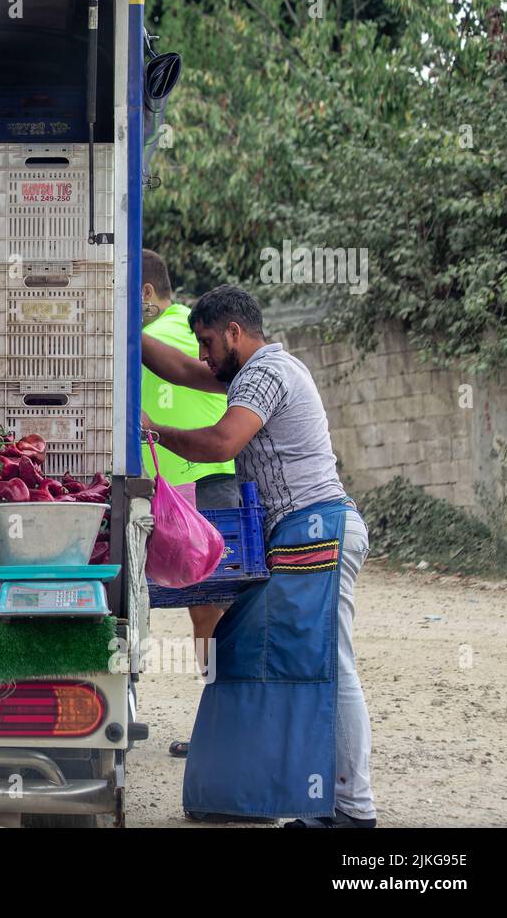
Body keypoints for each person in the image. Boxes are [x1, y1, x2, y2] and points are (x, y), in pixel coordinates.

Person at [140, 285, 376, 828]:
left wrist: (156, 432)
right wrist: (121, 326)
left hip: (317, 528)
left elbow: (223, 443)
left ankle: (353, 808)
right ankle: (271, 794)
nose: (202, 356)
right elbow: (178, 369)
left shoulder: (268, 372)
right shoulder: (248, 374)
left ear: (234, 333)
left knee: (331, 666)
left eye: (207, 342)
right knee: (266, 651)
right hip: (305, 531)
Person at [138, 250, 237, 760]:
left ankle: (222, 727)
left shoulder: (176, 327)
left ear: (147, 296)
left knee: (209, 613)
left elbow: (177, 367)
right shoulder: (172, 327)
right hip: (171, 495)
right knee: (183, 609)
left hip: (199, 489)